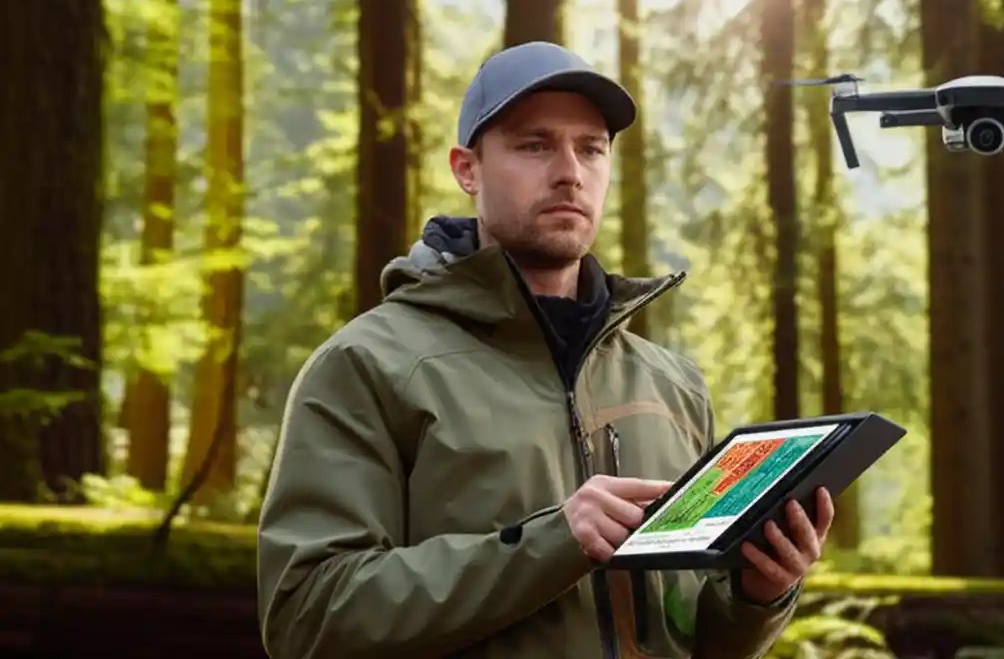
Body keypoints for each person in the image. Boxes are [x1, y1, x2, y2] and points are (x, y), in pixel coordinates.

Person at [256, 41, 836, 659]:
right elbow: (306, 616)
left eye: (591, 148)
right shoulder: (368, 366)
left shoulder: (672, 385)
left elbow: (691, 636)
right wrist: (554, 542)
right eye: (535, 145)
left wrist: (757, 595)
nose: (570, 172)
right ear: (467, 169)